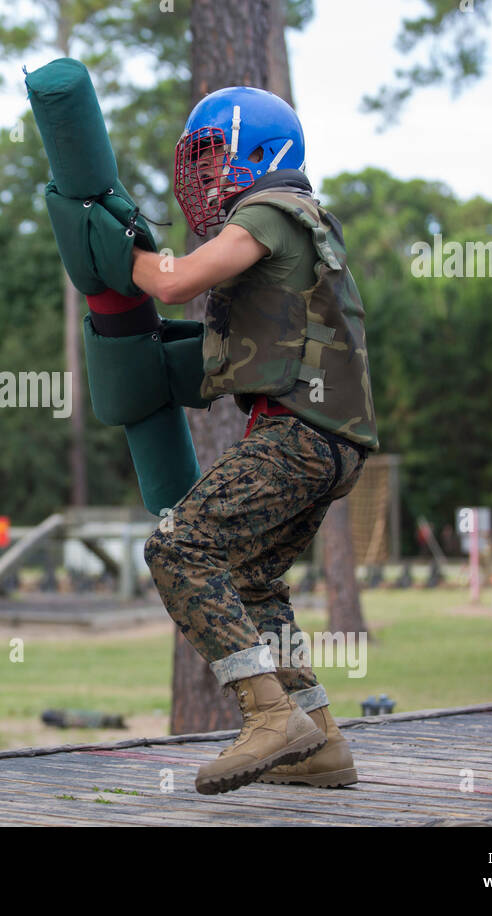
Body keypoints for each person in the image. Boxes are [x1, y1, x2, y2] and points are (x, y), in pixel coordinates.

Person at [130, 86, 378, 795]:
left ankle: (268, 716)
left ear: (260, 156)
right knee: (251, 581)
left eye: (212, 161)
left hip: (298, 434)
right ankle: (319, 740)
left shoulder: (269, 210)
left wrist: (124, 258)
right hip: (333, 443)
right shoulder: (301, 222)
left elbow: (175, 283)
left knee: (178, 545)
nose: (202, 181)